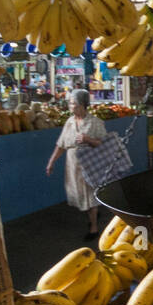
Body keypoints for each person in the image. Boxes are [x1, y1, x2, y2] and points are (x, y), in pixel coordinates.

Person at [47, 89, 108, 237]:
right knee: (80, 195)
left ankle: (93, 228)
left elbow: (104, 144)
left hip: (89, 164)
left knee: (89, 195)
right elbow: (61, 144)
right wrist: (51, 162)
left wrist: (88, 140)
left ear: (82, 105)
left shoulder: (95, 122)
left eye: (73, 103)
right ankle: (93, 214)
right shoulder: (69, 122)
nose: (70, 105)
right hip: (72, 165)